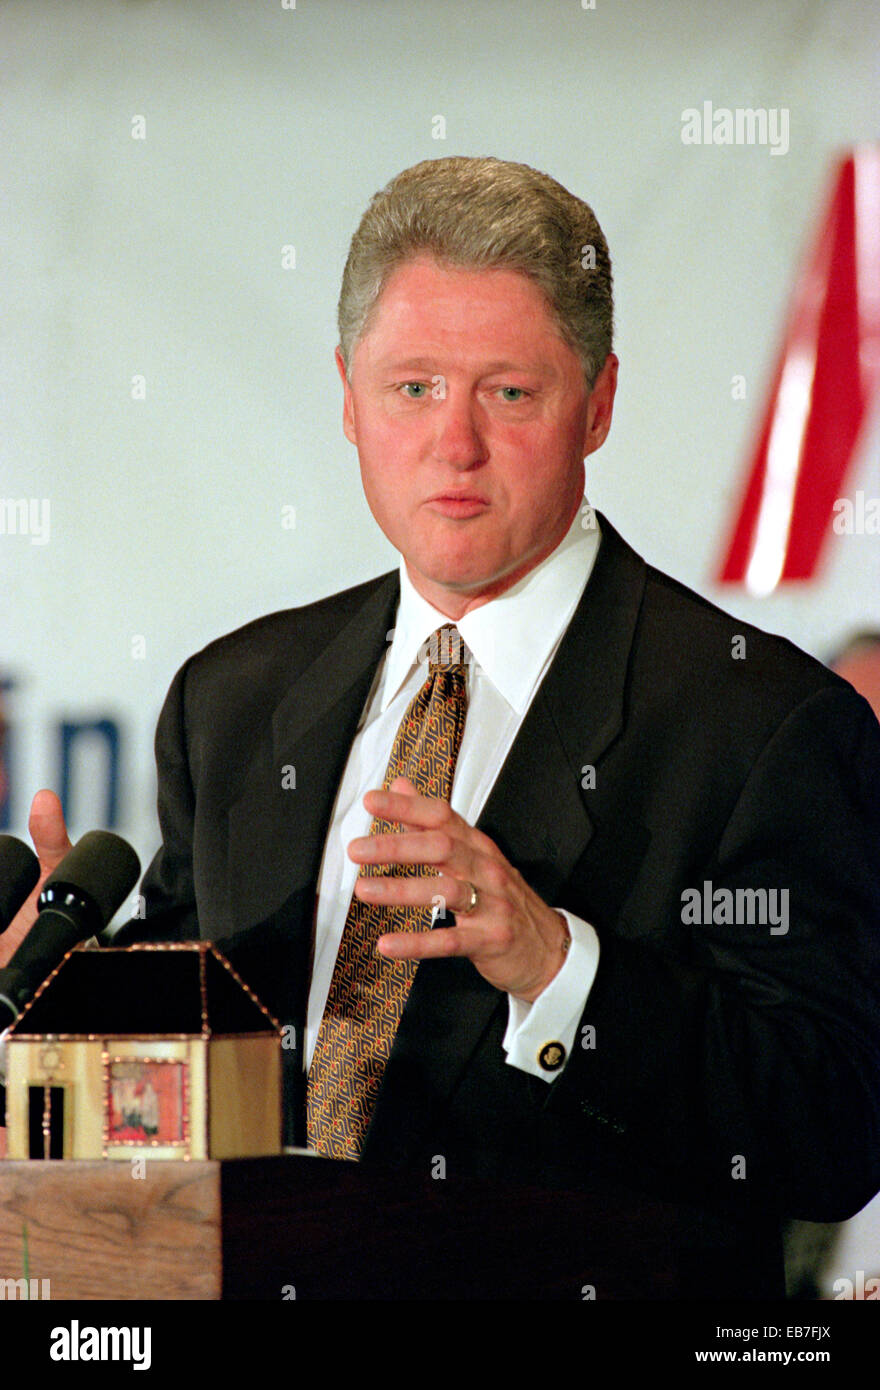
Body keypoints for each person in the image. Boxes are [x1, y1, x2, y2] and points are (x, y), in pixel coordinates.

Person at [5, 157, 880, 1298]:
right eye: (413, 386)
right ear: (346, 394)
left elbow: (829, 1131)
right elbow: (191, 1086)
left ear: (599, 402)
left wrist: (556, 966)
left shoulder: (761, 723)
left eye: (507, 392)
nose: (453, 442)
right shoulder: (235, 699)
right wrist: (67, 1001)